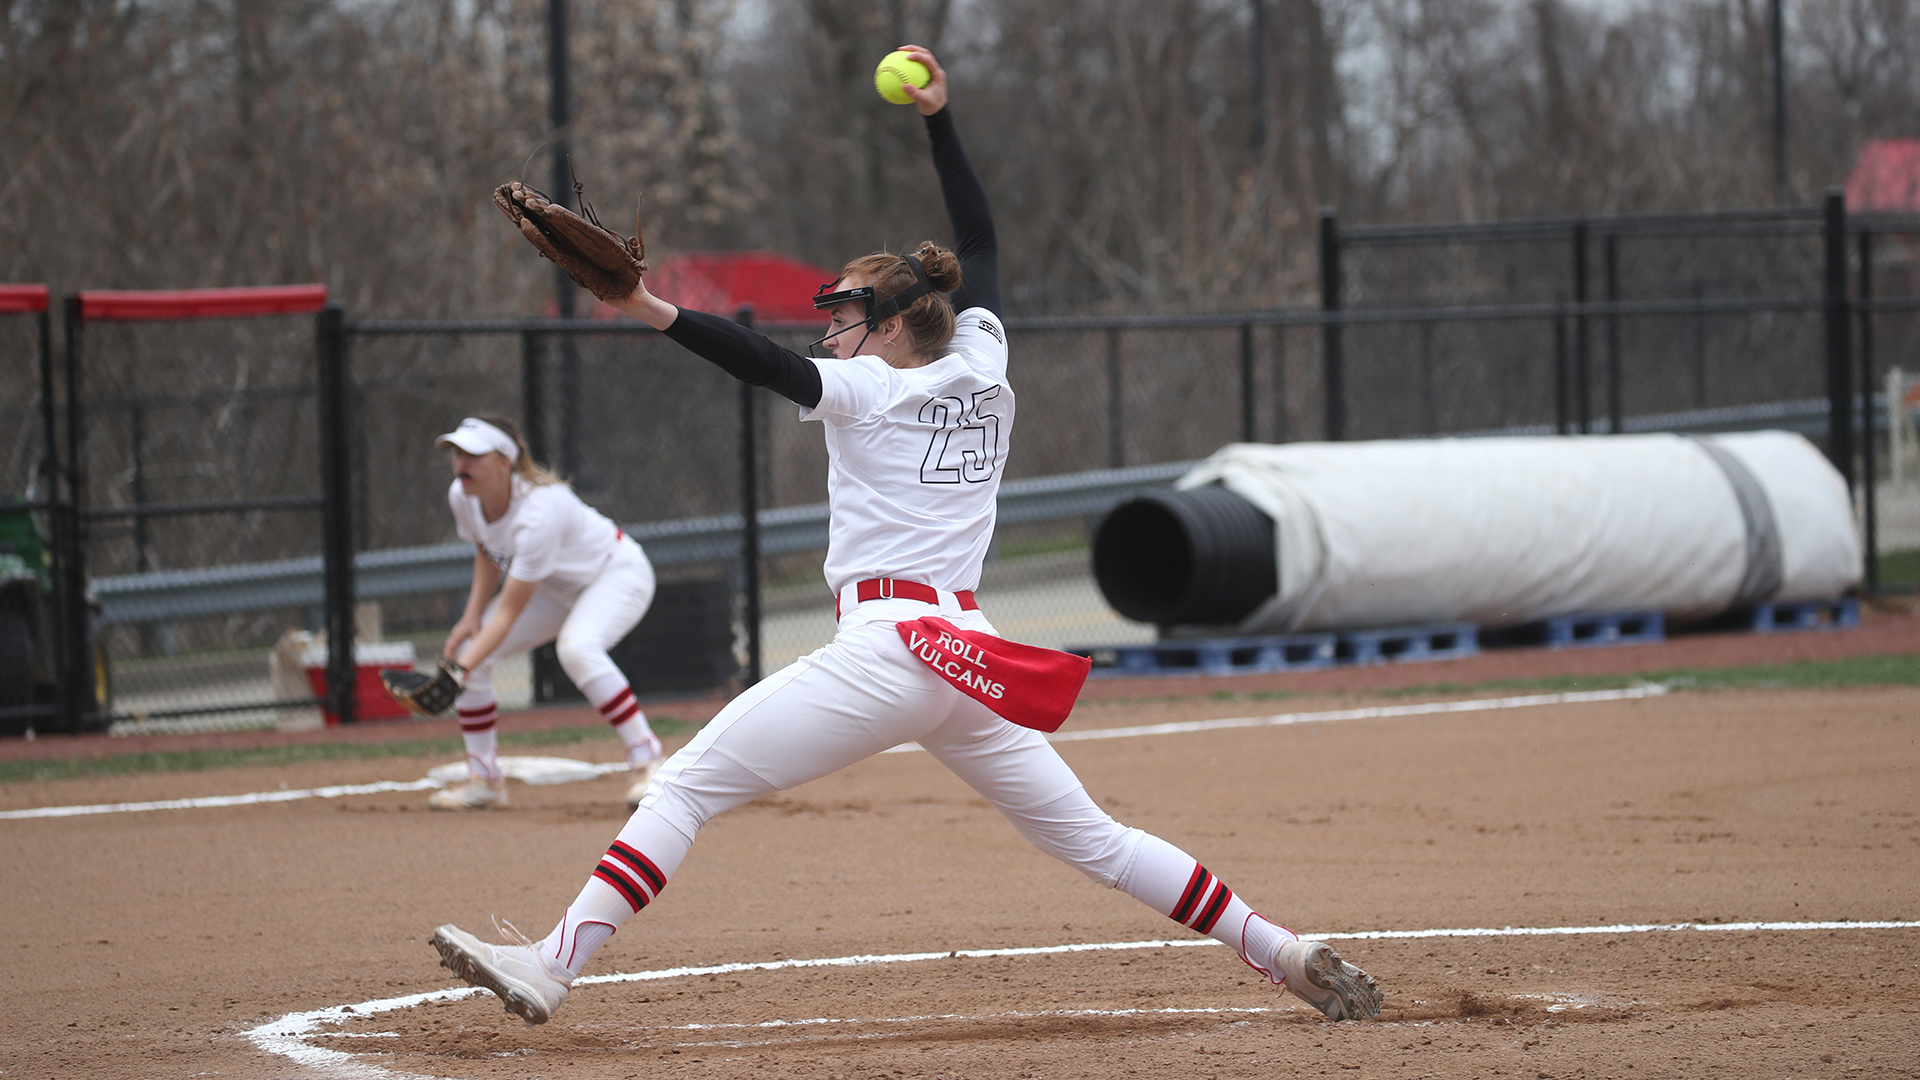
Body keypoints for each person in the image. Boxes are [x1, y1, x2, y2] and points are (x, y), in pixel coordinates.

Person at [431, 46, 1382, 1023]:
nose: (831, 325)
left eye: (847, 310)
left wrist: (645, 305)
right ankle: (1280, 948)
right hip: (966, 654)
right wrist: (939, 118)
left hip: (889, 651)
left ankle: (551, 964)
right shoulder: (983, 362)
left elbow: (759, 361)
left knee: (683, 786)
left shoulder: (867, 389)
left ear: (889, 327)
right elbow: (983, 241)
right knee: (1095, 839)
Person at [428, 414, 665, 811]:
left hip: (616, 574)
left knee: (577, 648)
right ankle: (484, 781)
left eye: (473, 455)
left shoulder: (540, 511)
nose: (461, 463)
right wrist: (470, 618)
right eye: (457, 453)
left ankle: (649, 762)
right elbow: (487, 550)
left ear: (504, 461)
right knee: (472, 649)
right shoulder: (462, 496)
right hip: (557, 587)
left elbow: (507, 613)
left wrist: (458, 671)